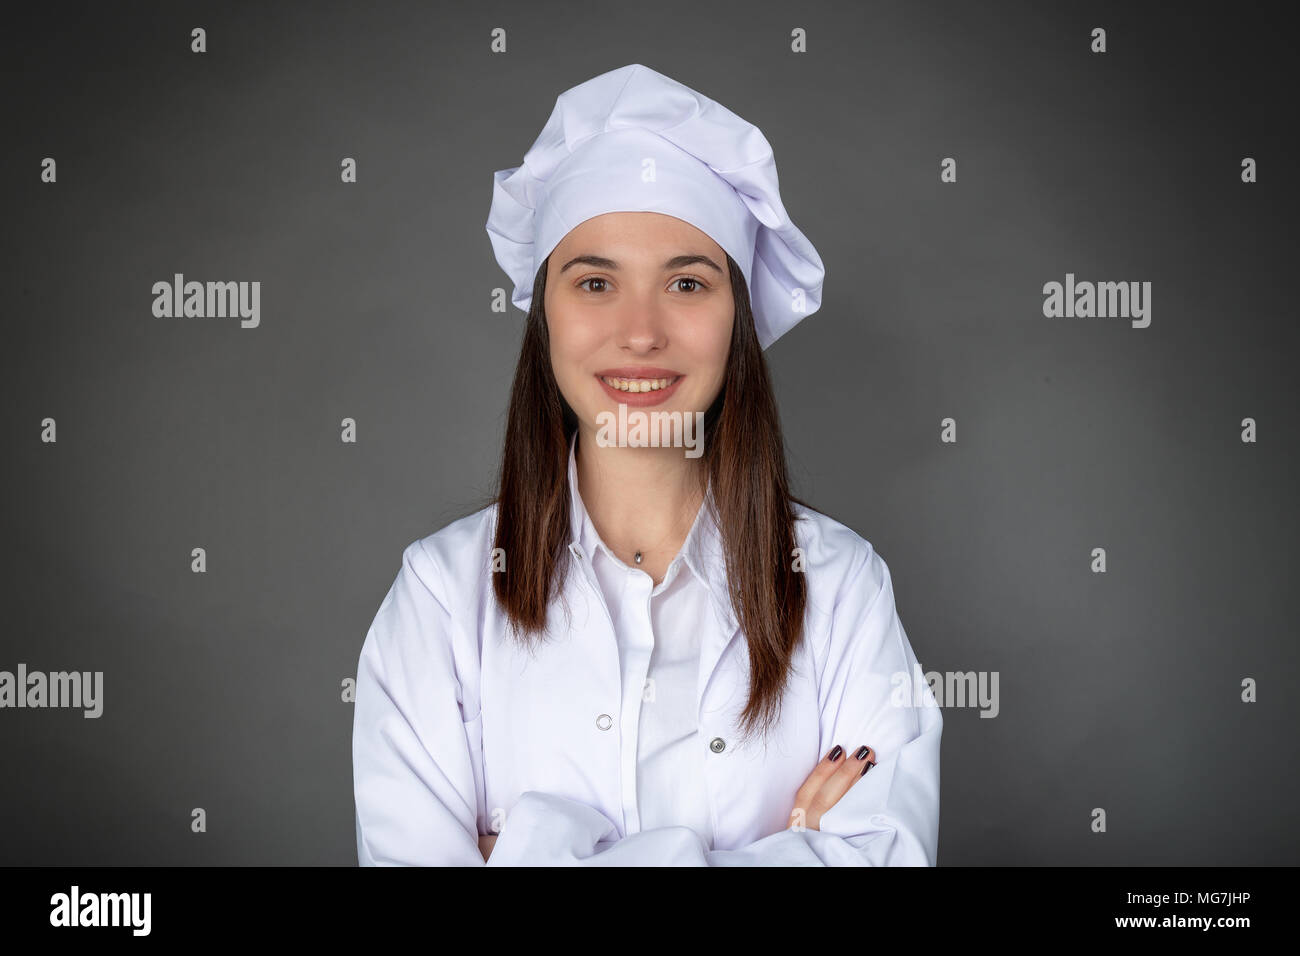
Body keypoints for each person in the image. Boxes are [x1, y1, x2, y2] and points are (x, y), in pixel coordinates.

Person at [352, 63, 942, 866]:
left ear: (737, 317)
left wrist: (530, 852)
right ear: (544, 315)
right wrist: (796, 852)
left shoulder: (842, 587)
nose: (640, 332)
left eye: (687, 284)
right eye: (595, 281)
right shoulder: (440, 601)